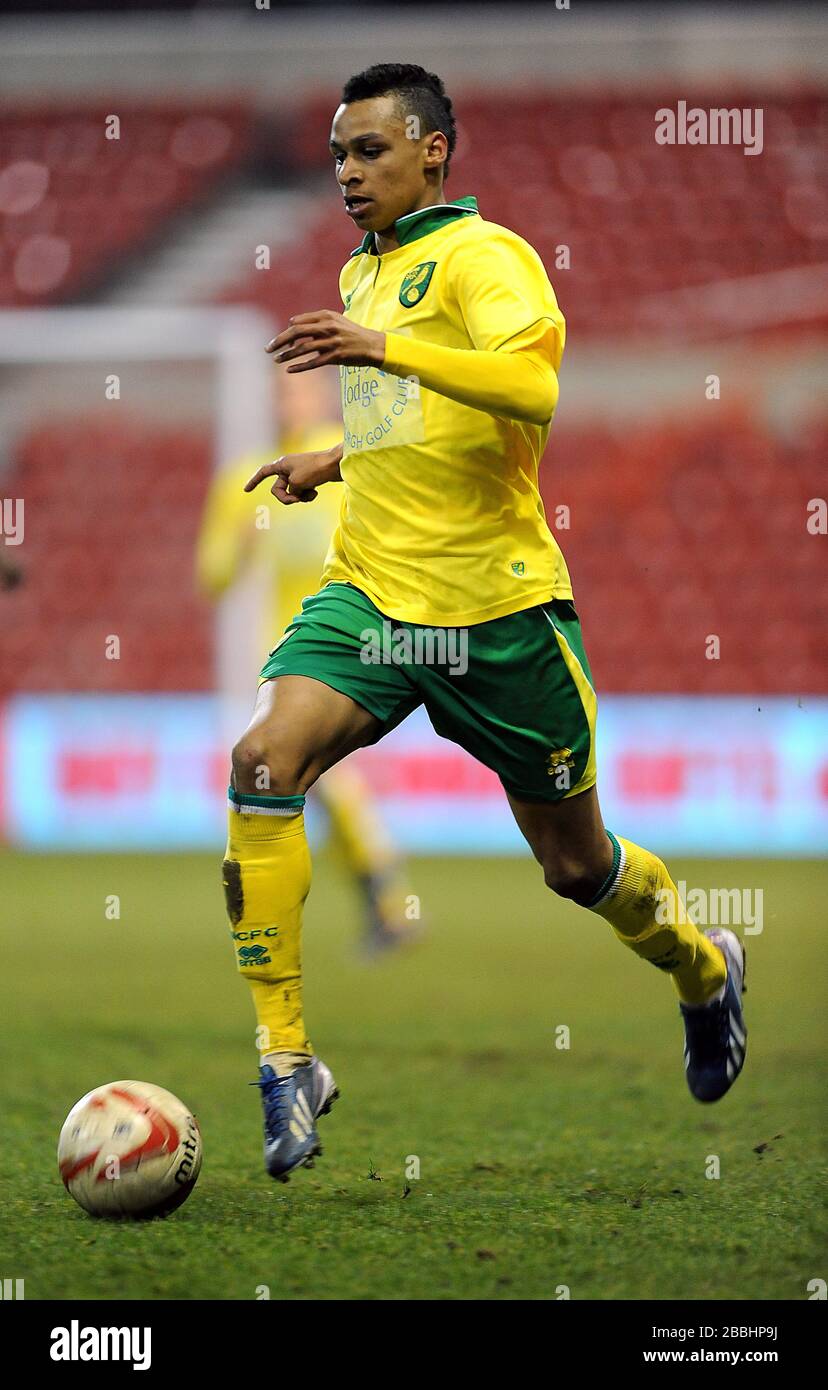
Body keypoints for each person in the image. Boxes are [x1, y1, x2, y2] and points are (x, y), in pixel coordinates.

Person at [225, 63, 747, 1182]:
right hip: (374, 596)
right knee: (264, 760)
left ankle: (703, 966)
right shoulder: (360, 278)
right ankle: (286, 1058)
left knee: (576, 866)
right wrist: (334, 457)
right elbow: (409, 424)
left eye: (369, 152)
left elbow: (530, 389)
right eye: (336, 156)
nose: (348, 174)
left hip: (498, 616)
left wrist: (385, 350)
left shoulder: (484, 256)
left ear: (431, 154)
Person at [197, 367, 422, 957]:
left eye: (297, 387)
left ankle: (377, 899)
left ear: (324, 394)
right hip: (279, 654)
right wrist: (241, 542)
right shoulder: (242, 479)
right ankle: (380, 902)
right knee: (309, 782)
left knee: (319, 778)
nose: (287, 398)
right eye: (278, 388)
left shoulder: (347, 463)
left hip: (349, 644)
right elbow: (211, 576)